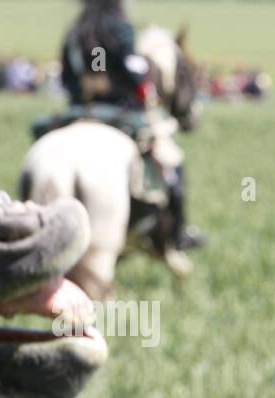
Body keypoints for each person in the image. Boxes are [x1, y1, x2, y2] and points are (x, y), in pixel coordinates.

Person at [59, 0, 205, 250]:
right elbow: (131, 69)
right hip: (119, 110)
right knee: (171, 162)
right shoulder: (119, 29)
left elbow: (67, 76)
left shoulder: (75, 32)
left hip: (79, 109)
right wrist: (144, 88)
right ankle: (177, 232)